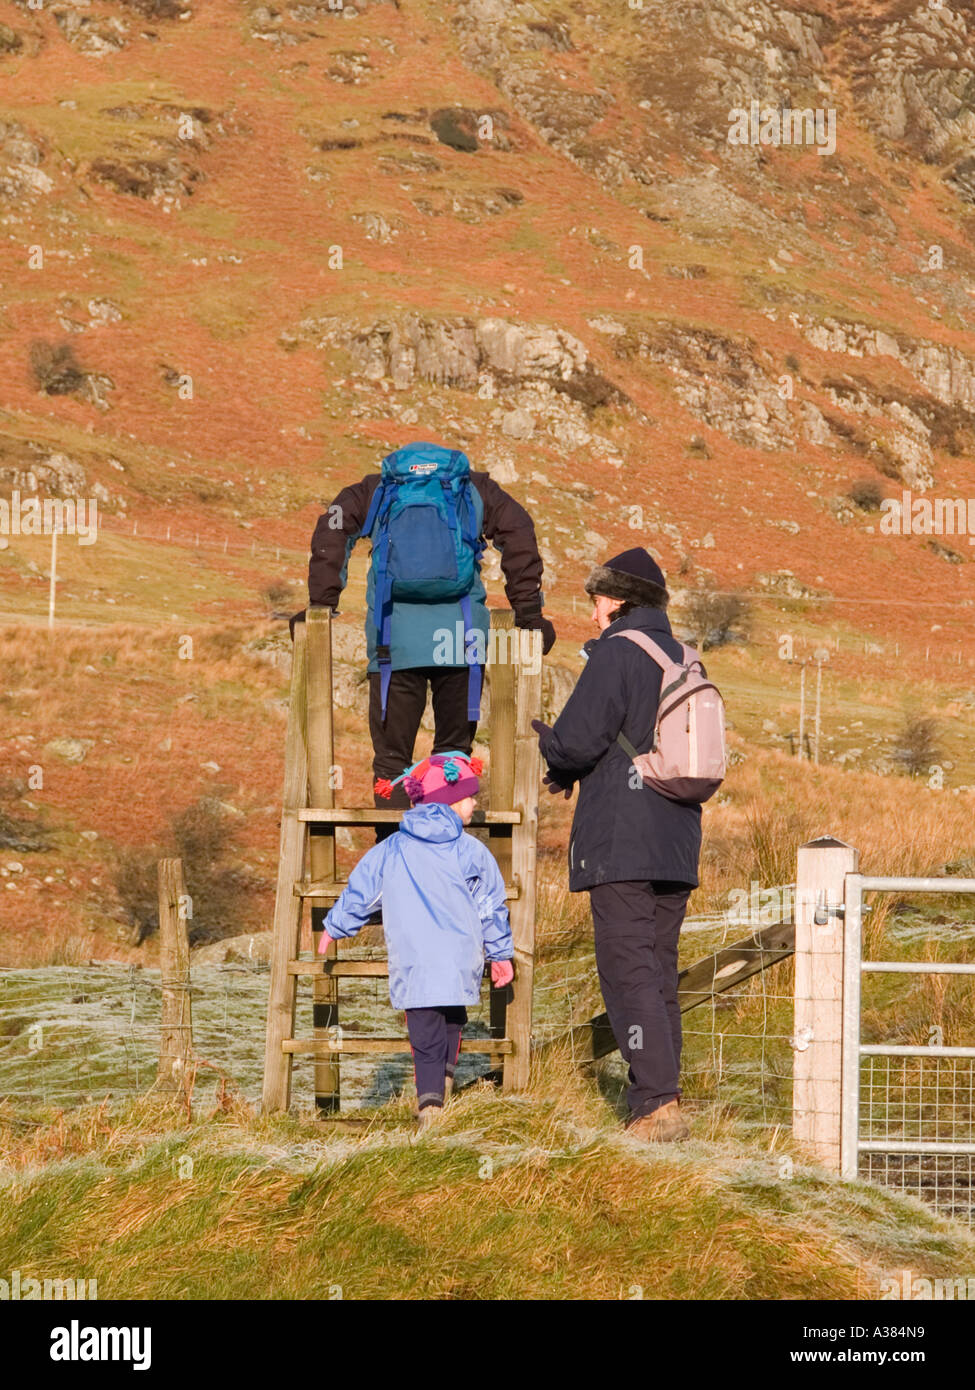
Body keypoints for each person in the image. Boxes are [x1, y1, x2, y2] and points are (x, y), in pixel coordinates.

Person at [291, 441, 555, 833]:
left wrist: (321, 603)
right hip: (460, 642)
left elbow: (331, 529)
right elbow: (519, 530)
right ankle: (444, 857)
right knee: (452, 755)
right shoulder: (472, 489)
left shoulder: (376, 490)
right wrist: (529, 613)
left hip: (392, 645)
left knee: (392, 761)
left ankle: (392, 862)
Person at [532, 548, 704, 1144]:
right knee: (657, 971)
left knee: (628, 969)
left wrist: (550, 747)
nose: (593, 612)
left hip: (622, 839)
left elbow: (579, 741)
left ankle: (654, 1107)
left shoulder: (617, 653)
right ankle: (666, 1098)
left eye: (597, 600)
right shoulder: (683, 656)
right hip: (677, 838)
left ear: (619, 600)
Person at [317, 750, 515, 1129]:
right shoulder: (472, 851)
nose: (475, 803)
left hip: (416, 960)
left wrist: (335, 926)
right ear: (452, 802)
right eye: (471, 796)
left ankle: (430, 1107)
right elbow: (491, 905)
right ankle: (439, 1092)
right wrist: (501, 953)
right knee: (453, 1020)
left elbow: (362, 891)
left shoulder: (391, 850)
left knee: (423, 1033)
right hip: (461, 960)